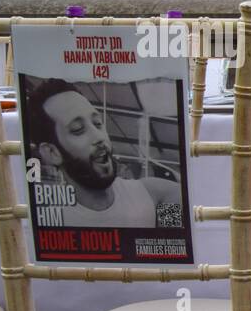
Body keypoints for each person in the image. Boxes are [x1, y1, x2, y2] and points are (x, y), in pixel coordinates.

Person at [27, 79, 181, 228]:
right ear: (52, 152)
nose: (99, 137)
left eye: (98, 123)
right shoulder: (52, 221)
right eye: (78, 129)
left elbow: (174, 243)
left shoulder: (156, 196)